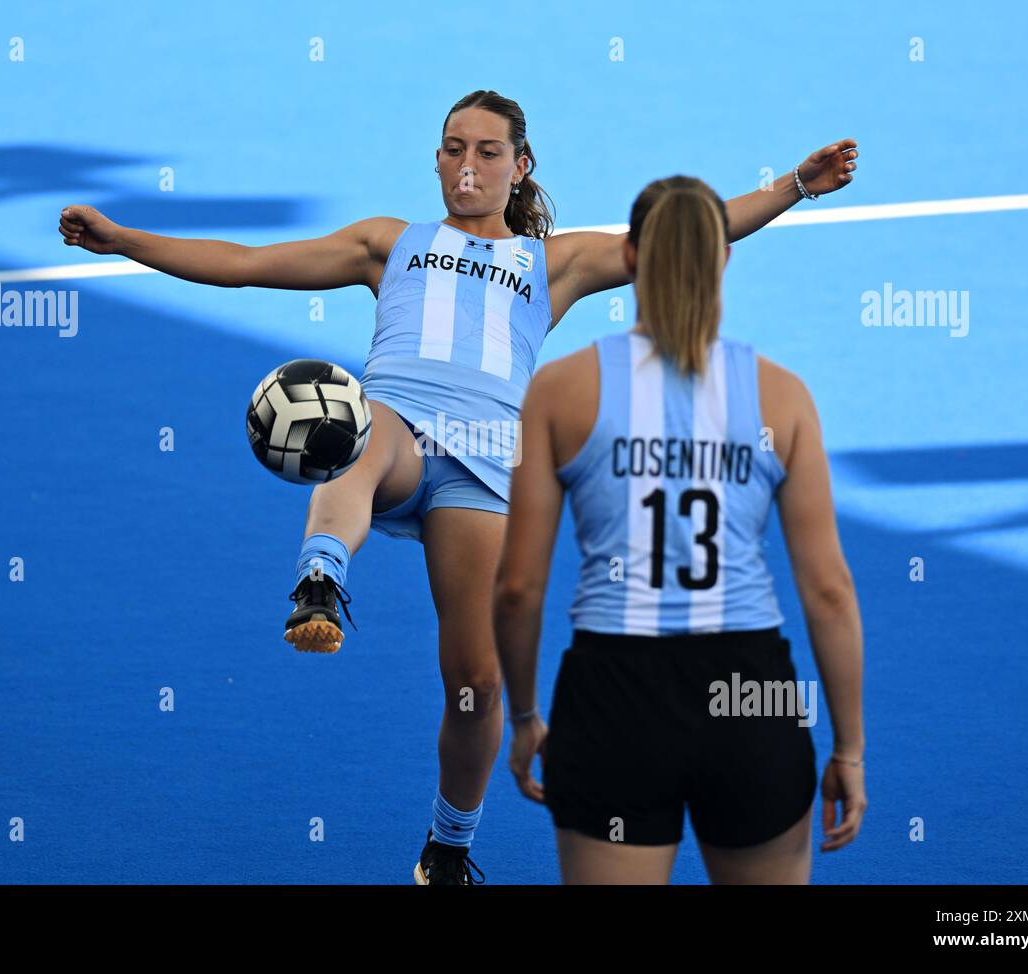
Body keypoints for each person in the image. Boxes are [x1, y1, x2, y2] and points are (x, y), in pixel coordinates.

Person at [59, 91, 859, 884]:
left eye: (484, 152)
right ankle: (319, 577)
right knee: (354, 431)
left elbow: (681, 237)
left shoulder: (554, 263)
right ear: (436, 157)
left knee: (474, 682)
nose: (465, 166)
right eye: (452, 148)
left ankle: (447, 848)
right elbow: (245, 265)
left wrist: (794, 185)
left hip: (484, 465)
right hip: (399, 427)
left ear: (520, 166)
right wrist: (124, 239)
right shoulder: (387, 243)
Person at [493, 175, 866, 884]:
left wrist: (522, 716)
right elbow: (829, 590)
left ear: (629, 257)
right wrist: (848, 750)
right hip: (752, 692)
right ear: (723, 259)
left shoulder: (562, 389)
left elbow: (517, 588)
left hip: (612, 694)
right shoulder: (781, 395)